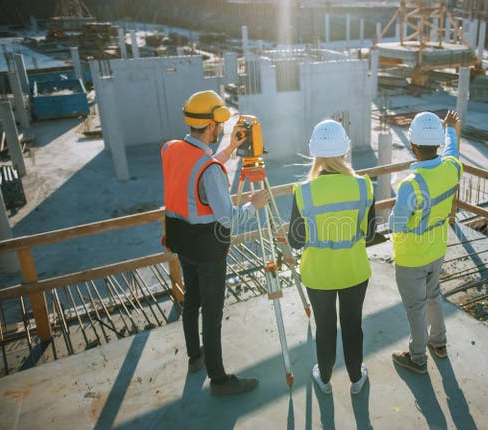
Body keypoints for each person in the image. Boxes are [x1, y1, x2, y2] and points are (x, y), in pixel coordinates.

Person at [161, 90, 269, 396]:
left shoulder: (170, 149)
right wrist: (254, 205)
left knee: (191, 299)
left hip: (182, 242)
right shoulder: (209, 169)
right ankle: (219, 380)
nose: (221, 129)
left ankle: (195, 357)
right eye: (219, 125)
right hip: (208, 249)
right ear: (211, 125)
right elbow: (229, 219)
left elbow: (197, 169)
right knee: (212, 312)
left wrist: (229, 149)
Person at [288, 119, 377, 395]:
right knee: (353, 327)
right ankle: (356, 378)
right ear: (344, 151)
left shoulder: (303, 192)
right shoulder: (363, 186)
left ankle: (324, 378)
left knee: (325, 329)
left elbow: (295, 239)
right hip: (354, 270)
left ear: (315, 153)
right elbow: (371, 235)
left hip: (318, 274)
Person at [390, 110, 462, 374]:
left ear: (412, 145)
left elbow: (396, 223)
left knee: (415, 307)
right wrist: (450, 129)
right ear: (438, 144)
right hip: (437, 249)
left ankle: (418, 358)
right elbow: (453, 151)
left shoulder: (411, 185)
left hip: (411, 258)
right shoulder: (451, 168)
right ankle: (439, 343)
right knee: (434, 296)